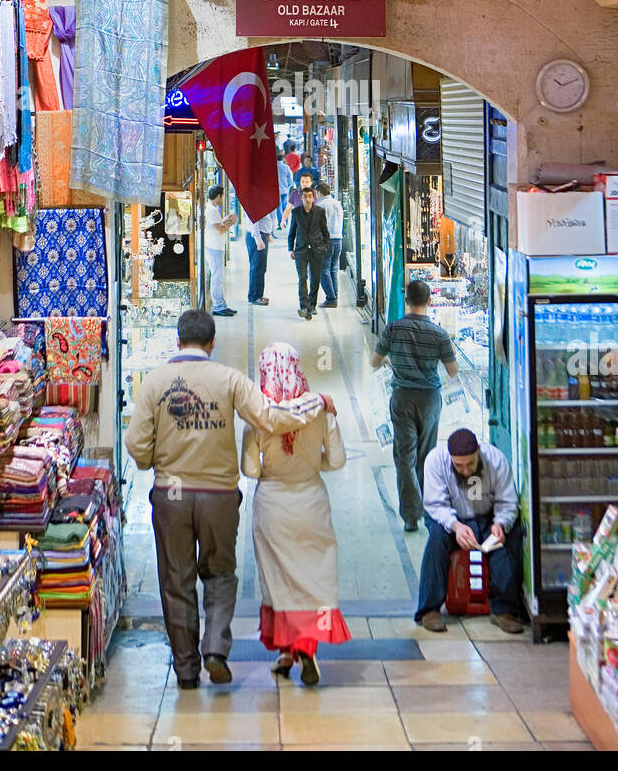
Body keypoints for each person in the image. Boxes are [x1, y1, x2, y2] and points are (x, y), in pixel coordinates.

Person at [124, 309, 337, 689]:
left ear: (177, 340)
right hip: (219, 496)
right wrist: (316, 401)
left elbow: (138, 451)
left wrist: (162, 456)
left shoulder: (155, 382)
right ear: (212, 343)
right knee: (220, 574)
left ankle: (187, 670)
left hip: (171, 496)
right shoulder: (230, 380)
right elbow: (270, 419)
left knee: (176, 580)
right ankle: (215, 650)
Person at [241, 342, 350, 685]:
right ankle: (306, 647)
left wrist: (274, 468)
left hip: (273, 506)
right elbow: (336, 461)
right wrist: (308, 467)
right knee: (312, 579)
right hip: (311, 505)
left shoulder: (259, 418)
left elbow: (250, 471)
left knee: (277, 581)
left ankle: (286, 650)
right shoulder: (321, 410)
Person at [415, 428, 524, 635]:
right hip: (449, 516)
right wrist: (455, 526)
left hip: (487, 515)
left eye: (470, 464)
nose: (465, 470)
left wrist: (500, 524)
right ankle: (429, 610)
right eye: (459, 466)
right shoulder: (435, 461)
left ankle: (505, 609)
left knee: (508, 539)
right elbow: (435, 505)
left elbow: (508, 502)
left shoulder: (496, 461)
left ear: (479, 454)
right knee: (437, 540)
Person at [370, 279, 459, 531]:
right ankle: (430, 509)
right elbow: (453, 371)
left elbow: (374, 361)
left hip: (402, 398)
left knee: (404, 456)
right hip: (430, 398)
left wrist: (390, 362)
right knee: (426, 454)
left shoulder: (392, 329)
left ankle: (410, 515)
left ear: (406, 300)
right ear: (429, 302)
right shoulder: (439, 334)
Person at [287, 185, 330, 320]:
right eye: (305, 197)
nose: (307, 199)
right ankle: (304, 306)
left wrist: (324, 246)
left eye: (310, 196)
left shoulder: (320, 212)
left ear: (314, 198)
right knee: (302, 277)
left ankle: (312, 304)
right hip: (301, 250)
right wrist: (290, 248)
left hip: (317, 249)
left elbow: (325, 232)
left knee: (315, 279)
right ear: (301, 198)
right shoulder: (296, 212)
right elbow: (292, 232)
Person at [204, 184, 236, 317]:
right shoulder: (212, 210)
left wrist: (225, 220)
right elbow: (220, 229)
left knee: (218, 277)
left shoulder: (210, 208)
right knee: (217, 277)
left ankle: (221, 303)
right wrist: (231, 222)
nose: (222, 199)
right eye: (222, 196)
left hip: (213, 246)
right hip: (214, 247)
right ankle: (218, 306)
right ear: (218, 196)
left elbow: (216, 225)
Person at [315, 182, 343, 309]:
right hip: (338, 239)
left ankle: (331, 298)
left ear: (319, 193)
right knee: (333, 269)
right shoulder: (337, 203)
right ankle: (334, 296)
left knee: (323, 269)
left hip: (326, 240)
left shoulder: (320, 205)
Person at [244, 210, 274, 305]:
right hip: (258, 236)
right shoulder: (254, 203)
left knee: (261, 268)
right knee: (257, 267)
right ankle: (255, 297)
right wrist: (258, 239)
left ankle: (258, 295)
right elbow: (254, 221)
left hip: (262, 235)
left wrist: (268, 234)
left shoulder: (260, 203)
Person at [276, 152, 293, 229]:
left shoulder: (273, 167)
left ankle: (280, 223)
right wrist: (288, 186)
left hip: (277, 191)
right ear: (282, 159)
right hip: (285, 190)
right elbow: (290, 179)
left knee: (279, 208)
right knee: (285, 206)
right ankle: (285, 222)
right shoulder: (286, 167)